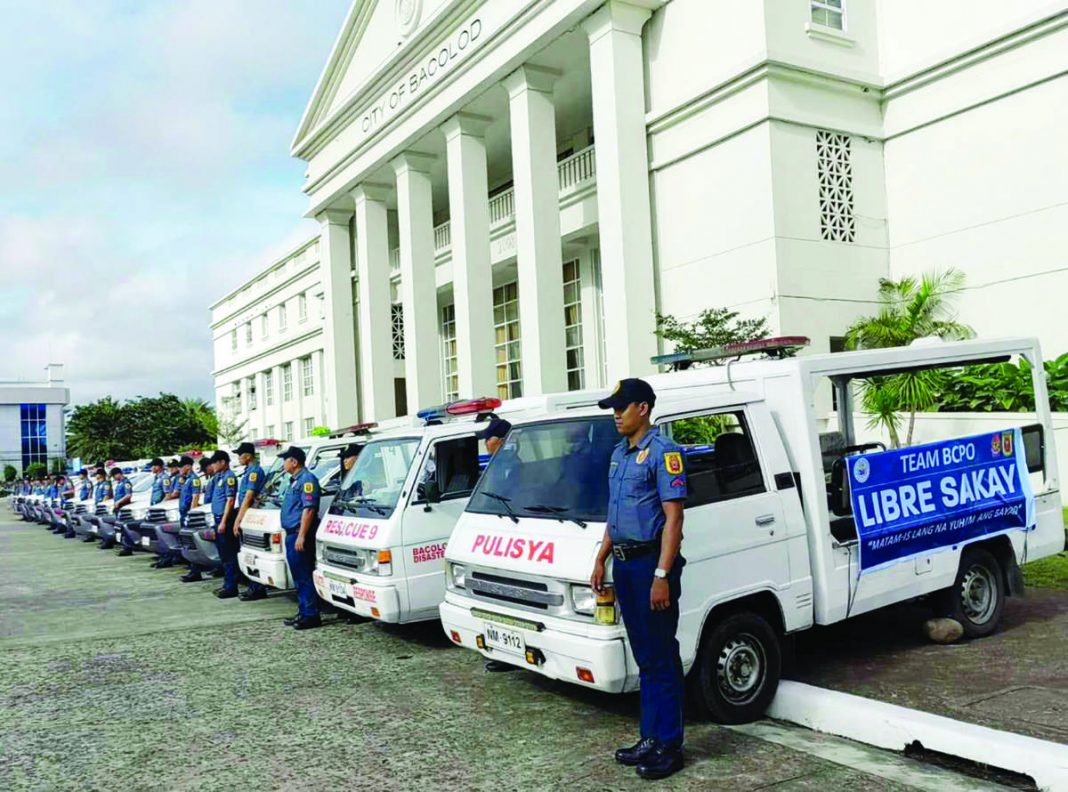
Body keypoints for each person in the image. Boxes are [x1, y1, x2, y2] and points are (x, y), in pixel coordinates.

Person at [593, 378, 688, 781]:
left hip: (652, 564)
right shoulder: (619, 454)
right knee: (645, 657)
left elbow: (674, 519)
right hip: (625, 565)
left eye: (622, 407)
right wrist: (600, 560)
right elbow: (615, 517)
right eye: (614, 408)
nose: (616, 414)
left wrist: (662, 575)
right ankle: (650, 736)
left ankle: (669, 745)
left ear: (643, 409)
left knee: (662, 655)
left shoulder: (663, 454)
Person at [277, 446, 322, 630]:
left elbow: (309, 509)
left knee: (303, 574)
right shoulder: (294, 481)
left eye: (285, 460)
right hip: (292, 533)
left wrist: (301, 535)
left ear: (294, 462)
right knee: (297, 575)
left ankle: (311, 614)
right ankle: (303, 610)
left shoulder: (307, 480)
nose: (283, 464)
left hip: (299, 533)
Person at [232, 442, 269, 602]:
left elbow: (248, 497)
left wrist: (238, 520)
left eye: (240, 455)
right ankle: (254, 585)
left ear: (248, 455)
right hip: (247, 514)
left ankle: (257, 587)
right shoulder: (249, 471)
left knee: (252, 553)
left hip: (250, 515)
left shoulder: (254, 472)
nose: (239, 458)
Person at [118, 458, 167, 556]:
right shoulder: (157, 478)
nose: (151, 468)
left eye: (153, 466)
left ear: (158, 467)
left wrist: (161, 507)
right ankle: (161, 555)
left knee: (159, 534)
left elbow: (167, 494)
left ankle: (165, 556)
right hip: (154, 509)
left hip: (159, 510)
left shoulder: (164, 478)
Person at [209, 450, 241, 599]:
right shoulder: (218, 477)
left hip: (225, 520)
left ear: (223, 462)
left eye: (215, 462)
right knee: (223, 555)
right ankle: (227, 583)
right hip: (217, 518)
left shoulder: (229, 477)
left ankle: (231, 586)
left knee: (229, 555)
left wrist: (223, 521)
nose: (213, 465)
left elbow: (230, 500)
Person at [181, 458, 215, 583]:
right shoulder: (190, 479)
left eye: (205, 469)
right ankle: (195, 569)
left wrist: (191, 513)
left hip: (206, 516)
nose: (204, 472)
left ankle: (195, 571)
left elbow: (195, 497)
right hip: (191, 513)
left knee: (194, 543)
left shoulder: (195, 480)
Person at [100, 468, 133, 549]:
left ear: (118, 474)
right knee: (119, 527)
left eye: (114, 476)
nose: (114, 478)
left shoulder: (126, 483)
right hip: (118, 508)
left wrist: (118, 502)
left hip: (123, 507)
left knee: (123, 528)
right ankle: (123, 545)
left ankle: (127, 547)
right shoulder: (119, 483)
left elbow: (128, 495)